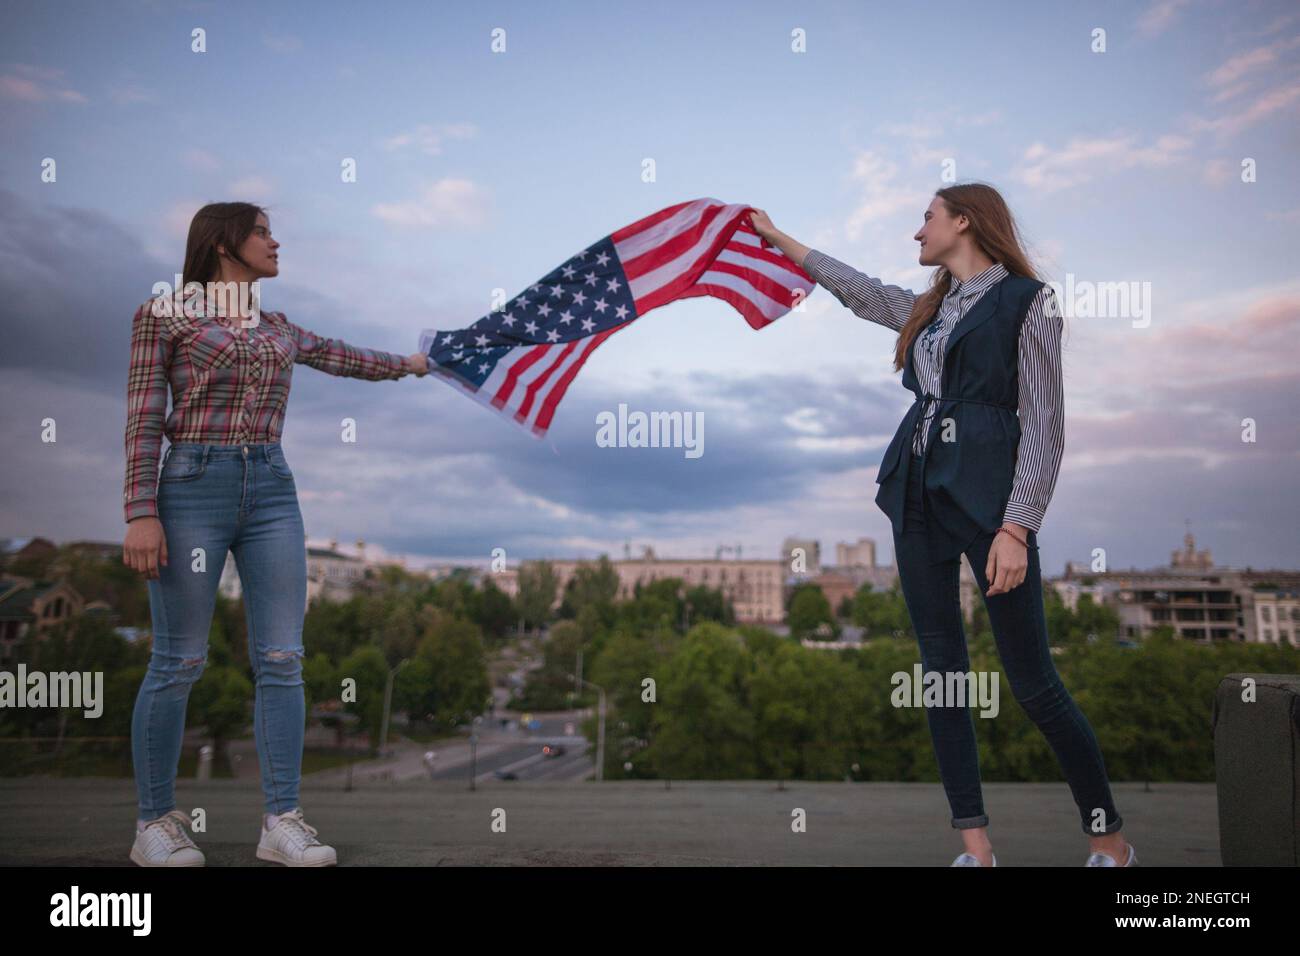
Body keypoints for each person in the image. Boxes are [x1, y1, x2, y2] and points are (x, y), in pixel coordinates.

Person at [748, 183, 1136, 867]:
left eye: (926, 217)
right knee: (943, 674)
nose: (916, 230)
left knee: (1033, 680)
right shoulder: (926, 307)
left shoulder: (1028, 302)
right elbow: (860, 291)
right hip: (915, 494)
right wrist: (782, 241)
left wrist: (1018, 527)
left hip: (991, 502)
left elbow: (1046, 423)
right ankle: (976, 849)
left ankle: (1109, 840)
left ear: (964, 220)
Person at [121, 202, 429, 866]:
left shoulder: (278, 325)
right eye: (262, 232)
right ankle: (155, 825)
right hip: (190, 489)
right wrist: (139, 511)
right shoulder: (165, 315)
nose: (275, 241)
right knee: (179, 661)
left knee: (284, 659)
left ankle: (282, 822)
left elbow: (345, 357)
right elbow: (145, 417)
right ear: (224, 243)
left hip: (271, 491)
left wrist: (411, 362)